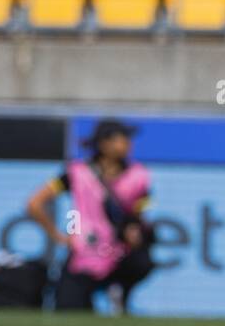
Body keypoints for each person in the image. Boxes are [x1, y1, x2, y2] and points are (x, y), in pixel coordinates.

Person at [27, 119, 155, 312]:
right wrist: (59, 236)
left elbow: (139, 214)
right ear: (104, 144)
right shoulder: (77, 173)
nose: (129, 143)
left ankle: (120, 294)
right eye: (122, 139)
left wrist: (133, 230)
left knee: (142, 261)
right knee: (67, 307)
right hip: (84, 253)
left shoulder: (138, 176)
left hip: (121, 254)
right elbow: (34, 204)